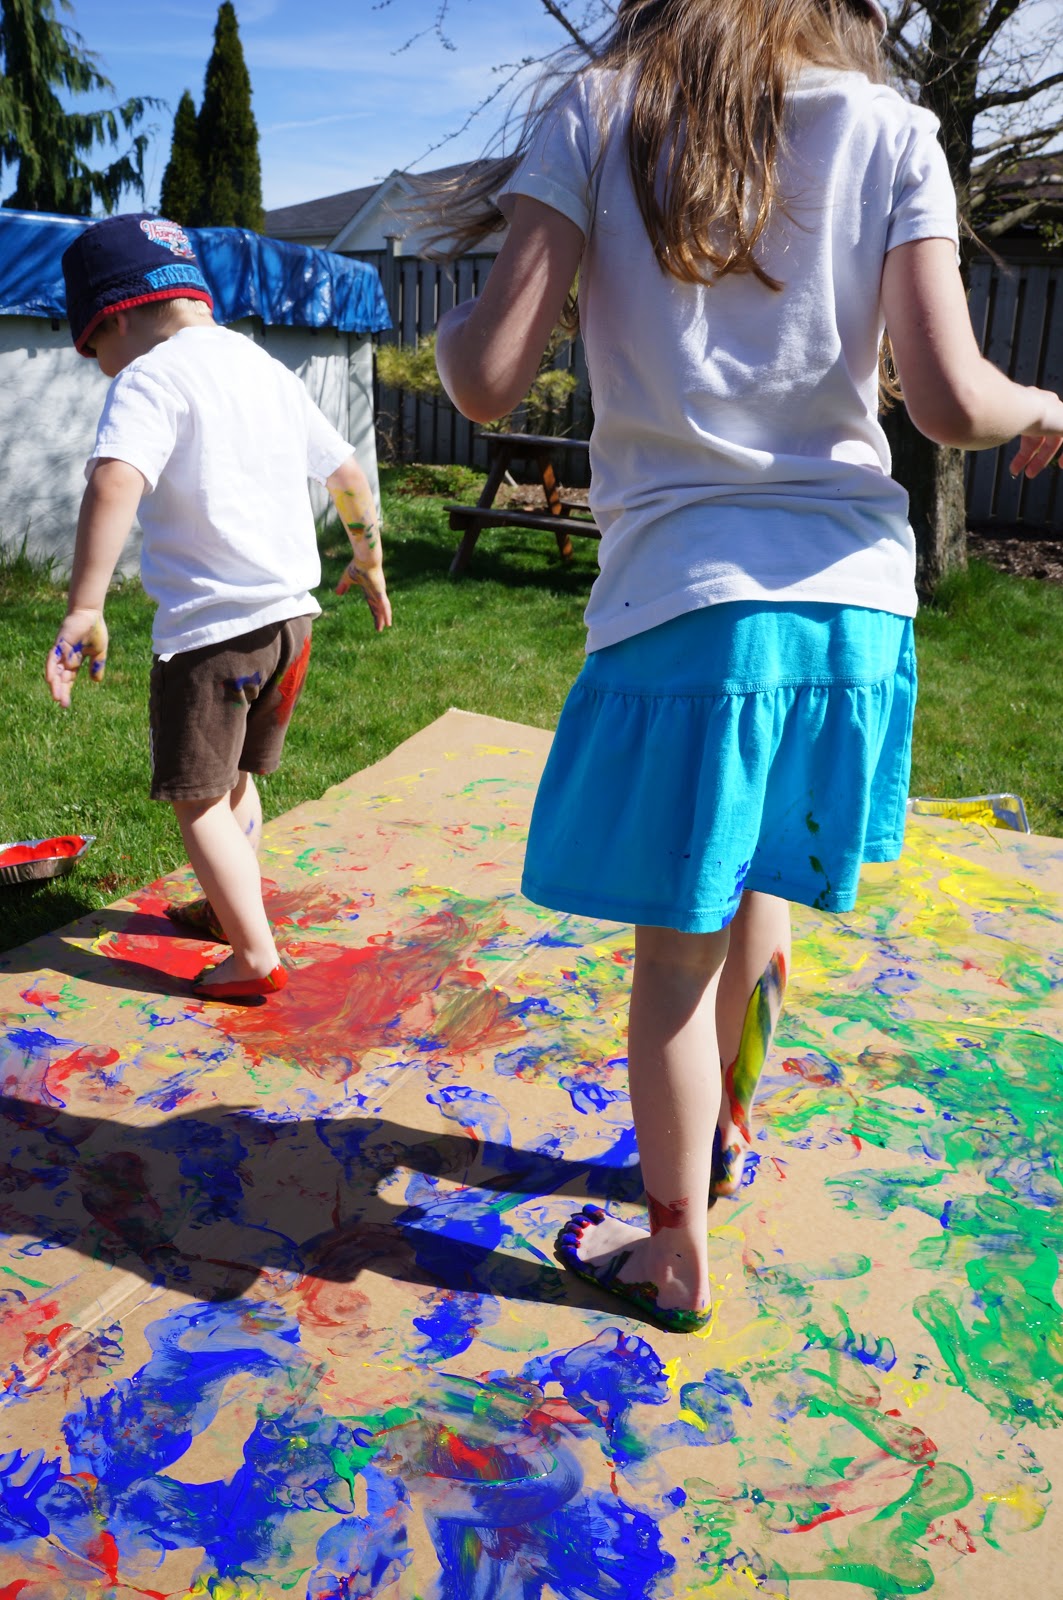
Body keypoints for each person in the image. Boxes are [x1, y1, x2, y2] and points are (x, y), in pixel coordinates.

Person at [431, 0, 1063, 1333]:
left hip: (690, 605)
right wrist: (1040, 405)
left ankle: (670, 1250)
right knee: (760, 886)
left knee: (670, 962)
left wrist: (447, 343)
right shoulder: (893, 128)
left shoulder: (596, 113)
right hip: (852, 611)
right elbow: (948, 404)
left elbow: (486, 378)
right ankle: (723, 1134)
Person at [46, 214, 391, 1002]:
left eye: (95, 353)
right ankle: (223, 908)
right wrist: (368, 561)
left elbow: (113, 480)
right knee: (235, 777)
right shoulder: (264, 367)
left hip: (212, 636)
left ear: (116, 317)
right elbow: (346, 473)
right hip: (290, 627)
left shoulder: (150, 377)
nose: (104, 371)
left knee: (196, 796)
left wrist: (84, 606)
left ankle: (253, 954)